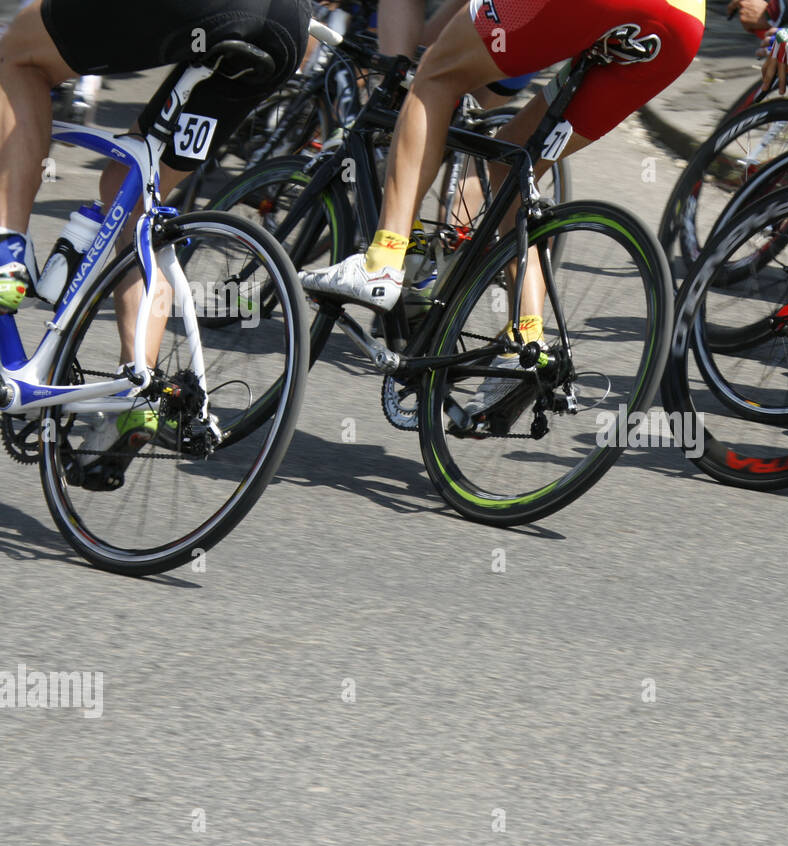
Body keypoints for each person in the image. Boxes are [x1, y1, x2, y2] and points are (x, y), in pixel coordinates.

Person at [300, 0, 704, 421]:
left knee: (435, 75)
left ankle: (384, 259)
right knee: (511, 160)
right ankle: (526, 342)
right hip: (679, 26)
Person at [0, 0, 310, 484]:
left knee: (20, 53)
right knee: (131, 189)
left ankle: (6, 252)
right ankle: (138, 394)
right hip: (287, 27)